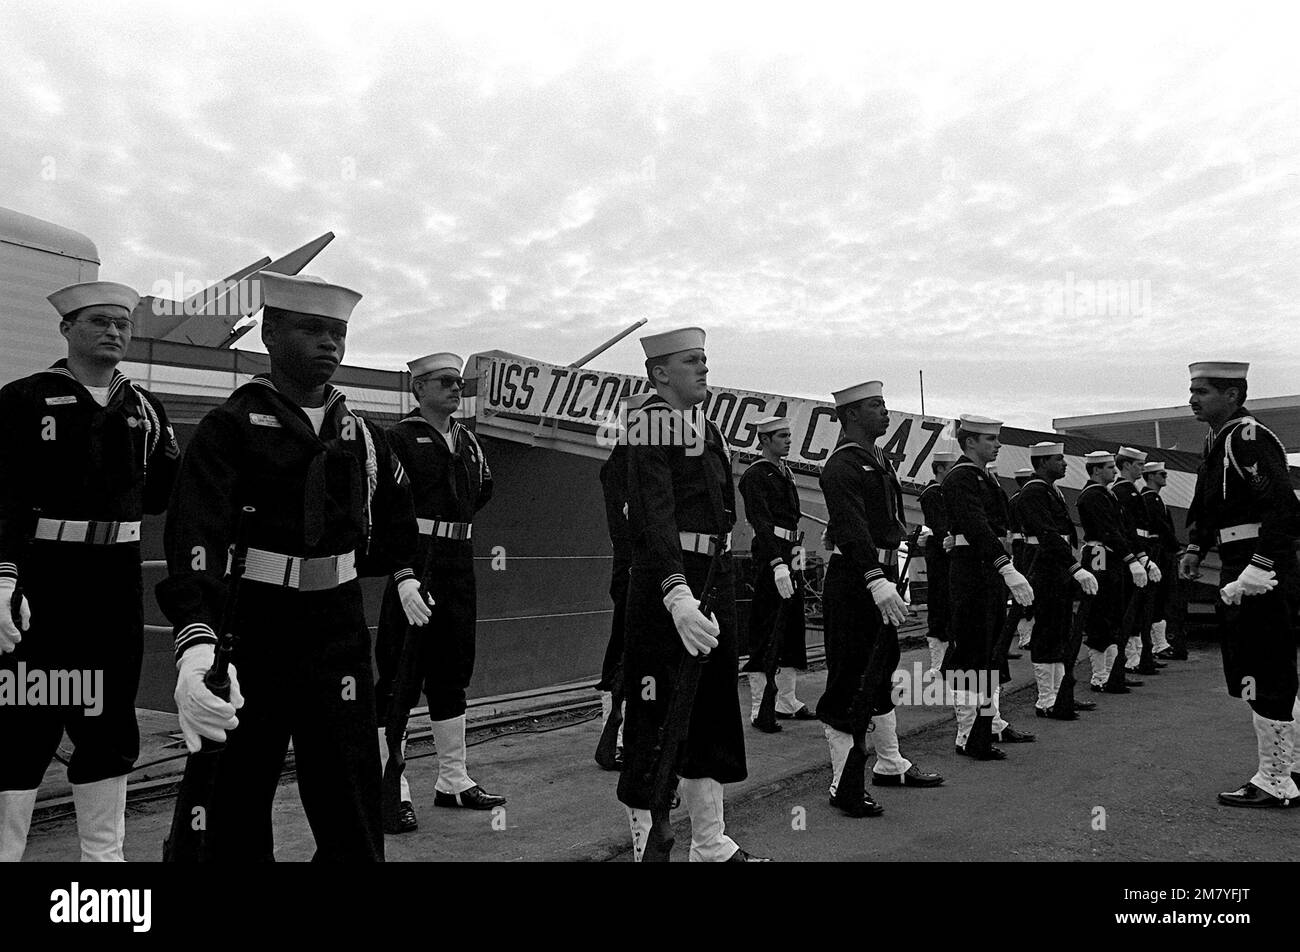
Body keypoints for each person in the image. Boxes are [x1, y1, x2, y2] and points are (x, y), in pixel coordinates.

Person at [158, 272, 425, 860]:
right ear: (270, 335)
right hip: (253, 623)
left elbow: (395, 529)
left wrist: (393, 571)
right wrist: (196, 639)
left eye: (338, 333)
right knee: (235, 785)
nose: (329, 344)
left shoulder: (365, 436)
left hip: (337, 626)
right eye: (312, 330)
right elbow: (194, 536)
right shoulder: (227, 429)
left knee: (349, 784)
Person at [0, 281, 179, 862]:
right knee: (24, 721)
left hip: (114, 583)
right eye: (99, 321)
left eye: (123, 324)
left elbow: (161, 493)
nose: (114, 332)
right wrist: (4, 575)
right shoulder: (24, 399)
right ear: (67, 329)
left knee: (107, 723)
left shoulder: (144, 408)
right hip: (44, 580)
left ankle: (103, 864)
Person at [618, 326, 766, 861]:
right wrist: (674, 591)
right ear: (659, 374)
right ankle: (648, 847)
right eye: (690, 361)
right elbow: (653, 515)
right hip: (670, 583)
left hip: (713, 576)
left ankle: (710, 843)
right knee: (656, 715)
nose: (704, 368)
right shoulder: (648, 422)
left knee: (711, 708)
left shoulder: (707, 427)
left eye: (704, 359)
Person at [375, 352, 503, 831]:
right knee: (399, 675)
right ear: (419, 389)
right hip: (417, 559)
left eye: (459, 382)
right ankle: (392, 782)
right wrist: (402, 574)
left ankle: (454, 779)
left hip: (458, 563)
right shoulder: (398, 439)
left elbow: (482, 490)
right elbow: (385, 509)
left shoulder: (468, 441)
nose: (456, 389)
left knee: (452, 672)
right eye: (446, 382)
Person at [818, 380, 943, 817]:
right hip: (856, 582)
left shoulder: (878, 460)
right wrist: (875, 577)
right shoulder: (842, 465)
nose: (886, 412)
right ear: (851, 415)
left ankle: (890, 763)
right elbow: (851, 527)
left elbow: (881, 521)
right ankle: (842, 782)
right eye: (876, 406)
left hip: (884, 574)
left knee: (882, 668)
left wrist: (908, 540)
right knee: (850, 677)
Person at [1181, 361, 1300, 808]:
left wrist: (1260, 565)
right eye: (1192, 390)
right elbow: (1210, 507)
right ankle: (1292, 768)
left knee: (1264, 669)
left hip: (1260, 568)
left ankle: (1275, 780)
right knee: (1257, 668)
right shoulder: (1218, 440)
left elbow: (1283, 508)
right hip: (1240, 562)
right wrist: (1196, 546)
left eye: (1203, 391)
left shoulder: (1248, 437)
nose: (1193, 399)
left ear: (1233, 395)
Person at [940, 415, 1034, 760]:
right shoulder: (962, 477)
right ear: (969, 443)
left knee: (988, 651)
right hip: (974, 571)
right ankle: (968, 734)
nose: (997, 445)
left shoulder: (983, 476)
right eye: (990, 439)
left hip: (985, 571)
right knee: (971, 653)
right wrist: (1005, 566)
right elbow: (976, 526)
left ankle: (988, 724)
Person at [740, 416, 812, 729]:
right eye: (781, 436)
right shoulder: (756, 475)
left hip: (793, 551)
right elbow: (761, 522)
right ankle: (760, 708)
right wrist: (775, 563)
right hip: (774, 552)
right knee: (767, 624)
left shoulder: (785, 472)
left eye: (787, 435)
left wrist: (793, 560)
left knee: (793, 623)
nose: (788, 440)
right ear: (765, 440)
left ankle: (787, 700)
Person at [1017, 442, 1097, 720]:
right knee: (1047, 633)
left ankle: (1062, 694)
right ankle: (1046, 699)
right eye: (1058, 459)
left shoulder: (1051, 489)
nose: (1064, 463)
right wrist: (1075, 566)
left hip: (1057, 568)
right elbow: (1047, 534)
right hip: (1046, 568)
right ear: (1042, 463)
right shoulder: (1034, 492)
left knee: (1061, 632)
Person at [593, 391, 652, 770]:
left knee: (636, 652)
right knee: (623, 652)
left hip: (638, 566)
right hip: (634, 568)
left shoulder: (629, 458)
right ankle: (613, 733)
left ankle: (627, 732)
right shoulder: (627, 462)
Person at [1076, 451, 1148, 694]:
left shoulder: (1105, 494)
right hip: (1100, 555)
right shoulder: (1093, 496)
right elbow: (1108, 530)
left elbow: (1124, 529)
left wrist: (1139, 558)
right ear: (1096, 470)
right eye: (1109, 468)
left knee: (1113, 611)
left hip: (1110, 556)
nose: (1115, 472)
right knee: (1101, 611)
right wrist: (1131, 559)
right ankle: (1100, 675)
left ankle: (1111, 672)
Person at [1112, 447, 1163, 677]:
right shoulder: (1121, 491)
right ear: (1125, 465)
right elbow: (1126, 529)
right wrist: (1138, 558)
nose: (1142, 469)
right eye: (1138, 465)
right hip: (1133, 553)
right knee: (1130, 608)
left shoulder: (1132, 490)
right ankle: (1124, 662)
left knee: (1141, 608)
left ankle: (1136, 658)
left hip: (1141, 550)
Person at [918, 452, 958, 676]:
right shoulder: (932, 494)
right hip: (939, 555)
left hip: (948, 553)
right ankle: (937, 663)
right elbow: (940, 524)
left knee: (950, 604)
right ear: (941, 468)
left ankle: (949, 658)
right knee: (938, 604)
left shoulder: (948, 491)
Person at [1140, 461, 1181, 661]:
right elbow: (1162, 527)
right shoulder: (1150, 499)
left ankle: (1159, 643)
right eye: (1161, 474)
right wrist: (1176, 548)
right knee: (1157, 596)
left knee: (1161, 597)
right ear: (1150, 477)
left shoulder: (1154, 498)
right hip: (1158, 551)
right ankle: (1157, 644)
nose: (1165, 477)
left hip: (1160, 550)